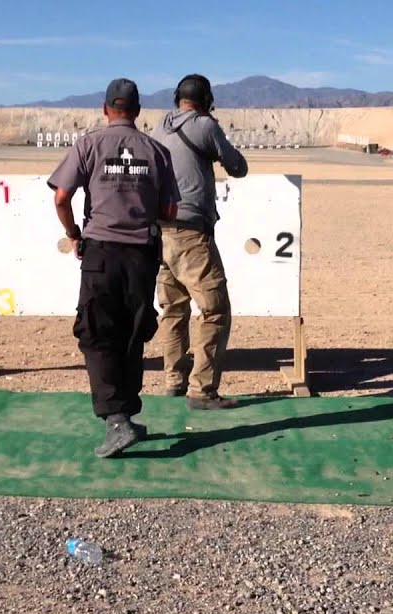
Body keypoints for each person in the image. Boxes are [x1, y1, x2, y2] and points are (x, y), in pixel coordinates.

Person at [47, 78, 179, 458]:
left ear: (105, 109)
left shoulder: (88, 144)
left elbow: (61, 196)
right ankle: (124, 414)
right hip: (142, 254)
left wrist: (74, 233)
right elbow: (170, 210)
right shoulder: (155, 150)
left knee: (97, 332)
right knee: (132, 332)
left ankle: (116, 421)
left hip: (101, 253)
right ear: (137, 111)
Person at [150, 73, 249, 410]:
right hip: (191, 233)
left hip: (159, 231)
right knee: (215, 310)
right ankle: (202, 390)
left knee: (173, 309)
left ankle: (173, 380)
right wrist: (213, 129)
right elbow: (238, 167)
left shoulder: (159, 126)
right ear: (206, 100)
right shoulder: (205, 126)